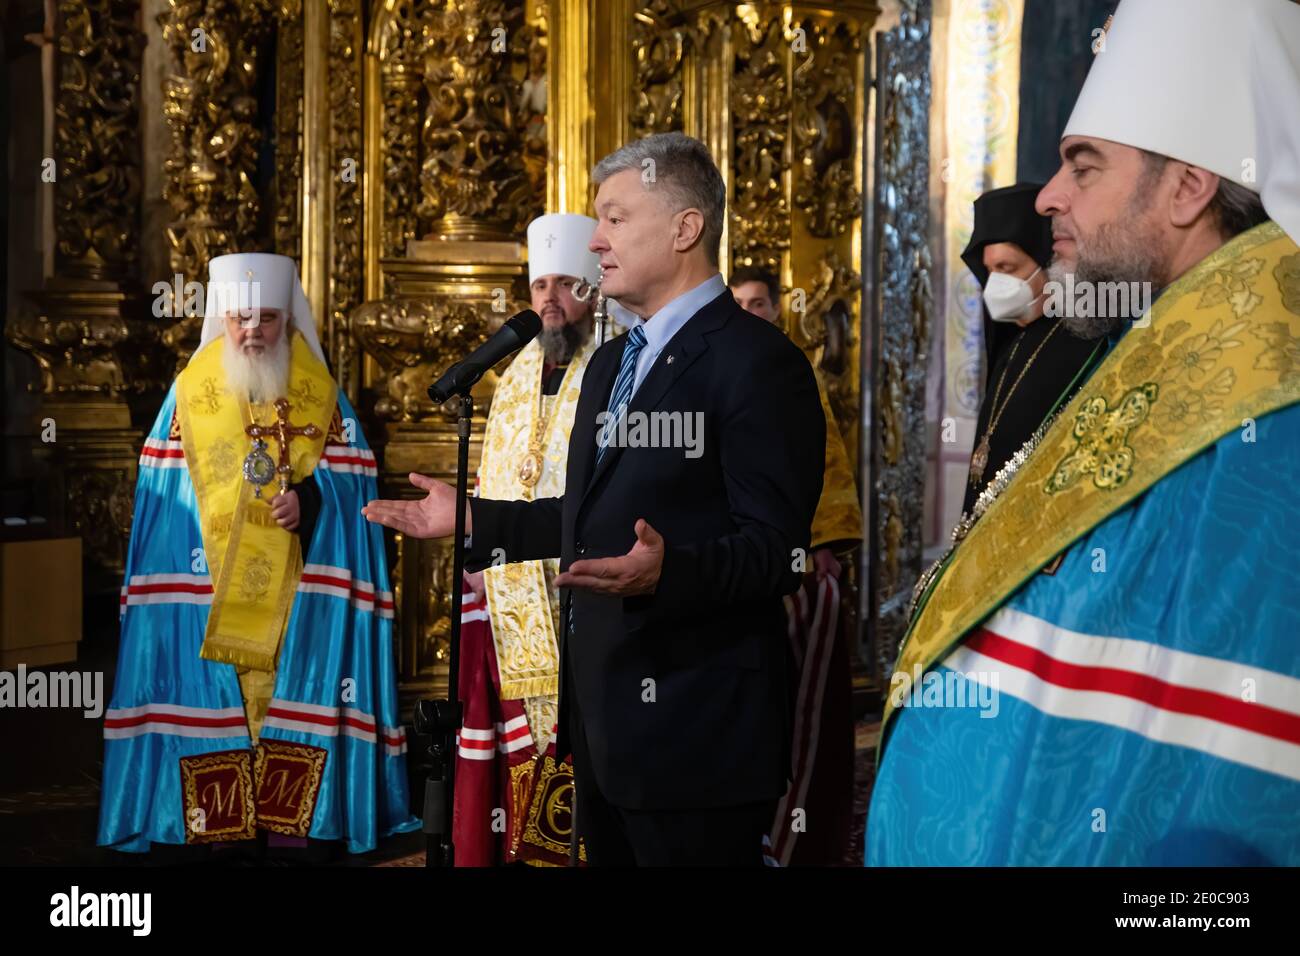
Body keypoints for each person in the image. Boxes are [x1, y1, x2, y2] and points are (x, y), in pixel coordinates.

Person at [870, 0, 1300, 865]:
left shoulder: (1265, 418)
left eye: (1083, 166)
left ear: (1188, 187)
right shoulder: (1147, 345)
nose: (1049, 196)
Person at [365, 132, 826, 866]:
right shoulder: (613, 360)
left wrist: (668, 572)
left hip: (696, 733)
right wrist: (478, 518)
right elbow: (586, 517)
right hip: (605, 729)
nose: (596, 239)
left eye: (614, 218)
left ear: (685, 228)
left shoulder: (759, 363)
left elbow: (780, 554)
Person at [100, 253, 419, 859]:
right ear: (222, 317)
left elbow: (355, 482)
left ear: (289, 320)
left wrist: (311, 500)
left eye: (266, 319)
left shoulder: (320, 396)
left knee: (290, 716)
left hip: (299, 611)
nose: (252, 331)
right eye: (240, 317)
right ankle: (215, 822)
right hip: (207, 602)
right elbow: (161, 503)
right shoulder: (186, 398)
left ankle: (297, 822)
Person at [453, 213, 601, 865]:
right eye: (540, 285)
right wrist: (481, 556)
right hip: (512, 588)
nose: (549, 299)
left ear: (593, 292)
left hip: (582, 592)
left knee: (580, 736)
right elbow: (492, 472)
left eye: (566, 284)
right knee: (512, 737)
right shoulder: (511, 378)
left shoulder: (611, 370)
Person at [728, 265, 862, 866]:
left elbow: (827, 460)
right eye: (740, 304)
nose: (750, 313)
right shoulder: (716, 369)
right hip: (729, 571)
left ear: (778, 310)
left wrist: (825, 541)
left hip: (793, 568)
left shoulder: (795, 369)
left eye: (760, 303)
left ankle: (793, 834)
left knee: (799, 701)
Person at [958, 184, 1106, 514]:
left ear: (1048, 262)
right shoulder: (1011, 342)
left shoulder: (1082, 344)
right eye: (989, 270)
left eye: (1007, 268)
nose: (995, 283)